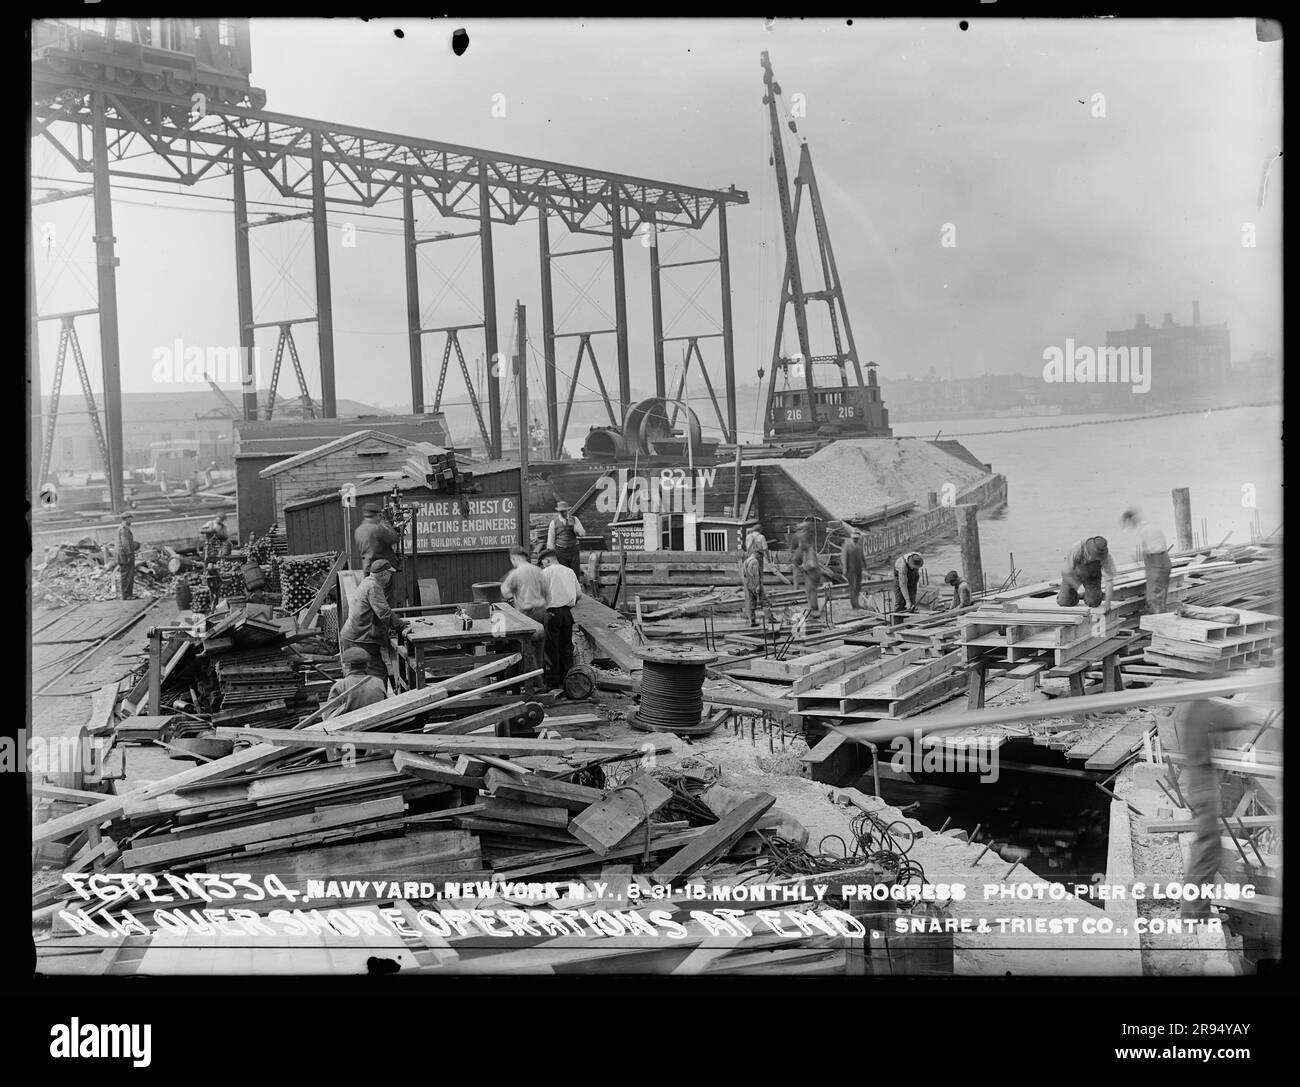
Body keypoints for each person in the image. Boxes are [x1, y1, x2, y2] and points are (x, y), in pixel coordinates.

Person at [1175, 699, 1257, 920]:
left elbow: (1220, 717)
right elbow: (1226, 718)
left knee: (1208, 850)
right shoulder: (1199, 705)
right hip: (1203, 787)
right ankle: (1196, 913)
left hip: (1200, 783)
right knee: (1208, 851)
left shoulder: (1194, 703)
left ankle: (1192, 910)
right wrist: (1248, 715)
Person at [338, 559, 408, 679]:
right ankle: (380, 697)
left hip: (353, 636)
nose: (390, 577)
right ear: (384, 574)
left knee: (358, 676)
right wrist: (401, 627)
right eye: (390, 574)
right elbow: (384, 612)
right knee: (378, 675)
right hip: (361, 639)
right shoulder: (374, 587)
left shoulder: (367, 582)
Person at [540, 548, 581, 689]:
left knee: (551, 649)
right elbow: (579, 594)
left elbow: (539, 595)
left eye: (543, 563)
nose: (543, 565)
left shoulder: (545, 573)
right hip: (567, 614)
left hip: (551, 614)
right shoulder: (570, 572)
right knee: (566, 647)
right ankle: (568, 680)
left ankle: (552, 683)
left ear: (547, 560)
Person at [1122, 507, 1172, 614]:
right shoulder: (1149, 527)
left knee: (1155, 597)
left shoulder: (1147, 529)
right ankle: (1160, 617)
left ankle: (1158, 621)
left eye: (1128, 523)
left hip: (1158, 564)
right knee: (1159, 596)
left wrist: (1139, 554)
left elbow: (1157, 549)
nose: (1129, 526)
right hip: (1159, 563)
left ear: (1132, 520)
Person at [355, 502, 402, 605]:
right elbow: (395, 538)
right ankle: (387, 620)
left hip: (367, 568)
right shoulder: (378, 528)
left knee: (372, 598)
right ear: (377, 515)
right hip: (382, 569)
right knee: (385, 600)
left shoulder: (359, 530)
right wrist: (386, 523)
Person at [323, 646, 389, 718]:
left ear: (347, 665)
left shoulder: (340, 686)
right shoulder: (378, 682)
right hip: (377, 726)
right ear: (367, 665)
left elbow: (328, 716)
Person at [1058, 535, 1116, 609]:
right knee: (1064, 602)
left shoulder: (1106, 556)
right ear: (1089, 550)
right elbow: (1065, 572)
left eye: (1098, 556)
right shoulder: (1076, 548)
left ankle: (1095, 594)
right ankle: (1075, 596)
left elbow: (1109, 580)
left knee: (1093, 602)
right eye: (1094, 556)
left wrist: (1108, 604)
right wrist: (1079, 588)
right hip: (1073, 576)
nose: (1095, 558)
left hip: (1092, 577)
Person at [501, 545, 549, 629]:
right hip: (541, 611)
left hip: (526, 613)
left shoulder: (515, 573)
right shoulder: (538, 570)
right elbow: (546, 591)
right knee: (541, 638)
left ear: (514, 558)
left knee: (527, 639)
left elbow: (505, 592)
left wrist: (513, 597)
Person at [792, 521, 826, 620]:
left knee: (811, 591)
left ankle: (814, 611)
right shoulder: (804, 548)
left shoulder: (809, 550)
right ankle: (812, 609)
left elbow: (813, 564)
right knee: (809, 591)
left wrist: (804, 567)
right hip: (809, 574)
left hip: (812, 574)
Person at [546, 501, 586, 579]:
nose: (563, 513)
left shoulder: (574, 519)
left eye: (564, 511)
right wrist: (551, 554)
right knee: (562, 573)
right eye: (561, 511)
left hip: (573, 551)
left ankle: (575, 590)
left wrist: (574, 526)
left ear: (567, 511)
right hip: (560, 552)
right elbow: (551, 540)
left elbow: (582, 534)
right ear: (558, 512)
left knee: (575, 573)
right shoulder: (554, 522)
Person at [840, 529, 866, 609]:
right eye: (854, 539)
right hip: (850, 570)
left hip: (858, 569)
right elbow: (844, 557)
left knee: (858, 586)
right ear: (852, 538)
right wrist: (844, 569)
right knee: (853, 587)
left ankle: (856, 602)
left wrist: (864, 563)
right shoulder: (847, 545)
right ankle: (854, 604)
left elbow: (861, 555)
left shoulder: (859, 544)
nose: (855, 540)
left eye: (857, 538)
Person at [117, 513, 139, 600]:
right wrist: (129, 555)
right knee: (127, 575)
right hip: (125, 556)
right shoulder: (124, 530)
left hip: (125, 555)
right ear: (126, 519)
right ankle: (127, 595)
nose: (131, 520)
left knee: (128, 575)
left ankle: (128, 594)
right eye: (130, 519)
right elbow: (125, 544)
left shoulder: (123, 529)